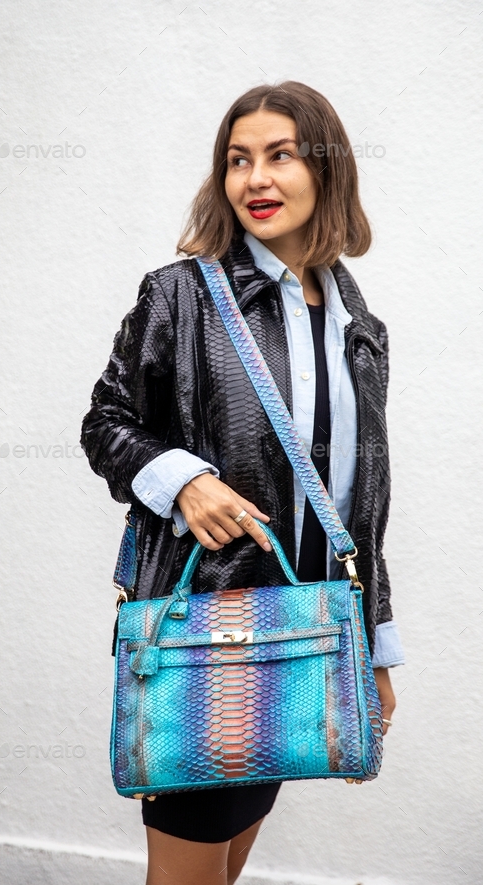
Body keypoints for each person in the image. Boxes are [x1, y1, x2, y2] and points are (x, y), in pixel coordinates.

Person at [80, 80, 405, 885]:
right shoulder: (181, 294)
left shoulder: (358, 326)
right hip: (206, 641)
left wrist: (375, 645)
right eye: (237, 160)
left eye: (279, 155)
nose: (255, 178)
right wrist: (184, 481)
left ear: (326, 169)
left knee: (219, 873)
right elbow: (105, 423)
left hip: (301, 641)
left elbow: (360, 505)